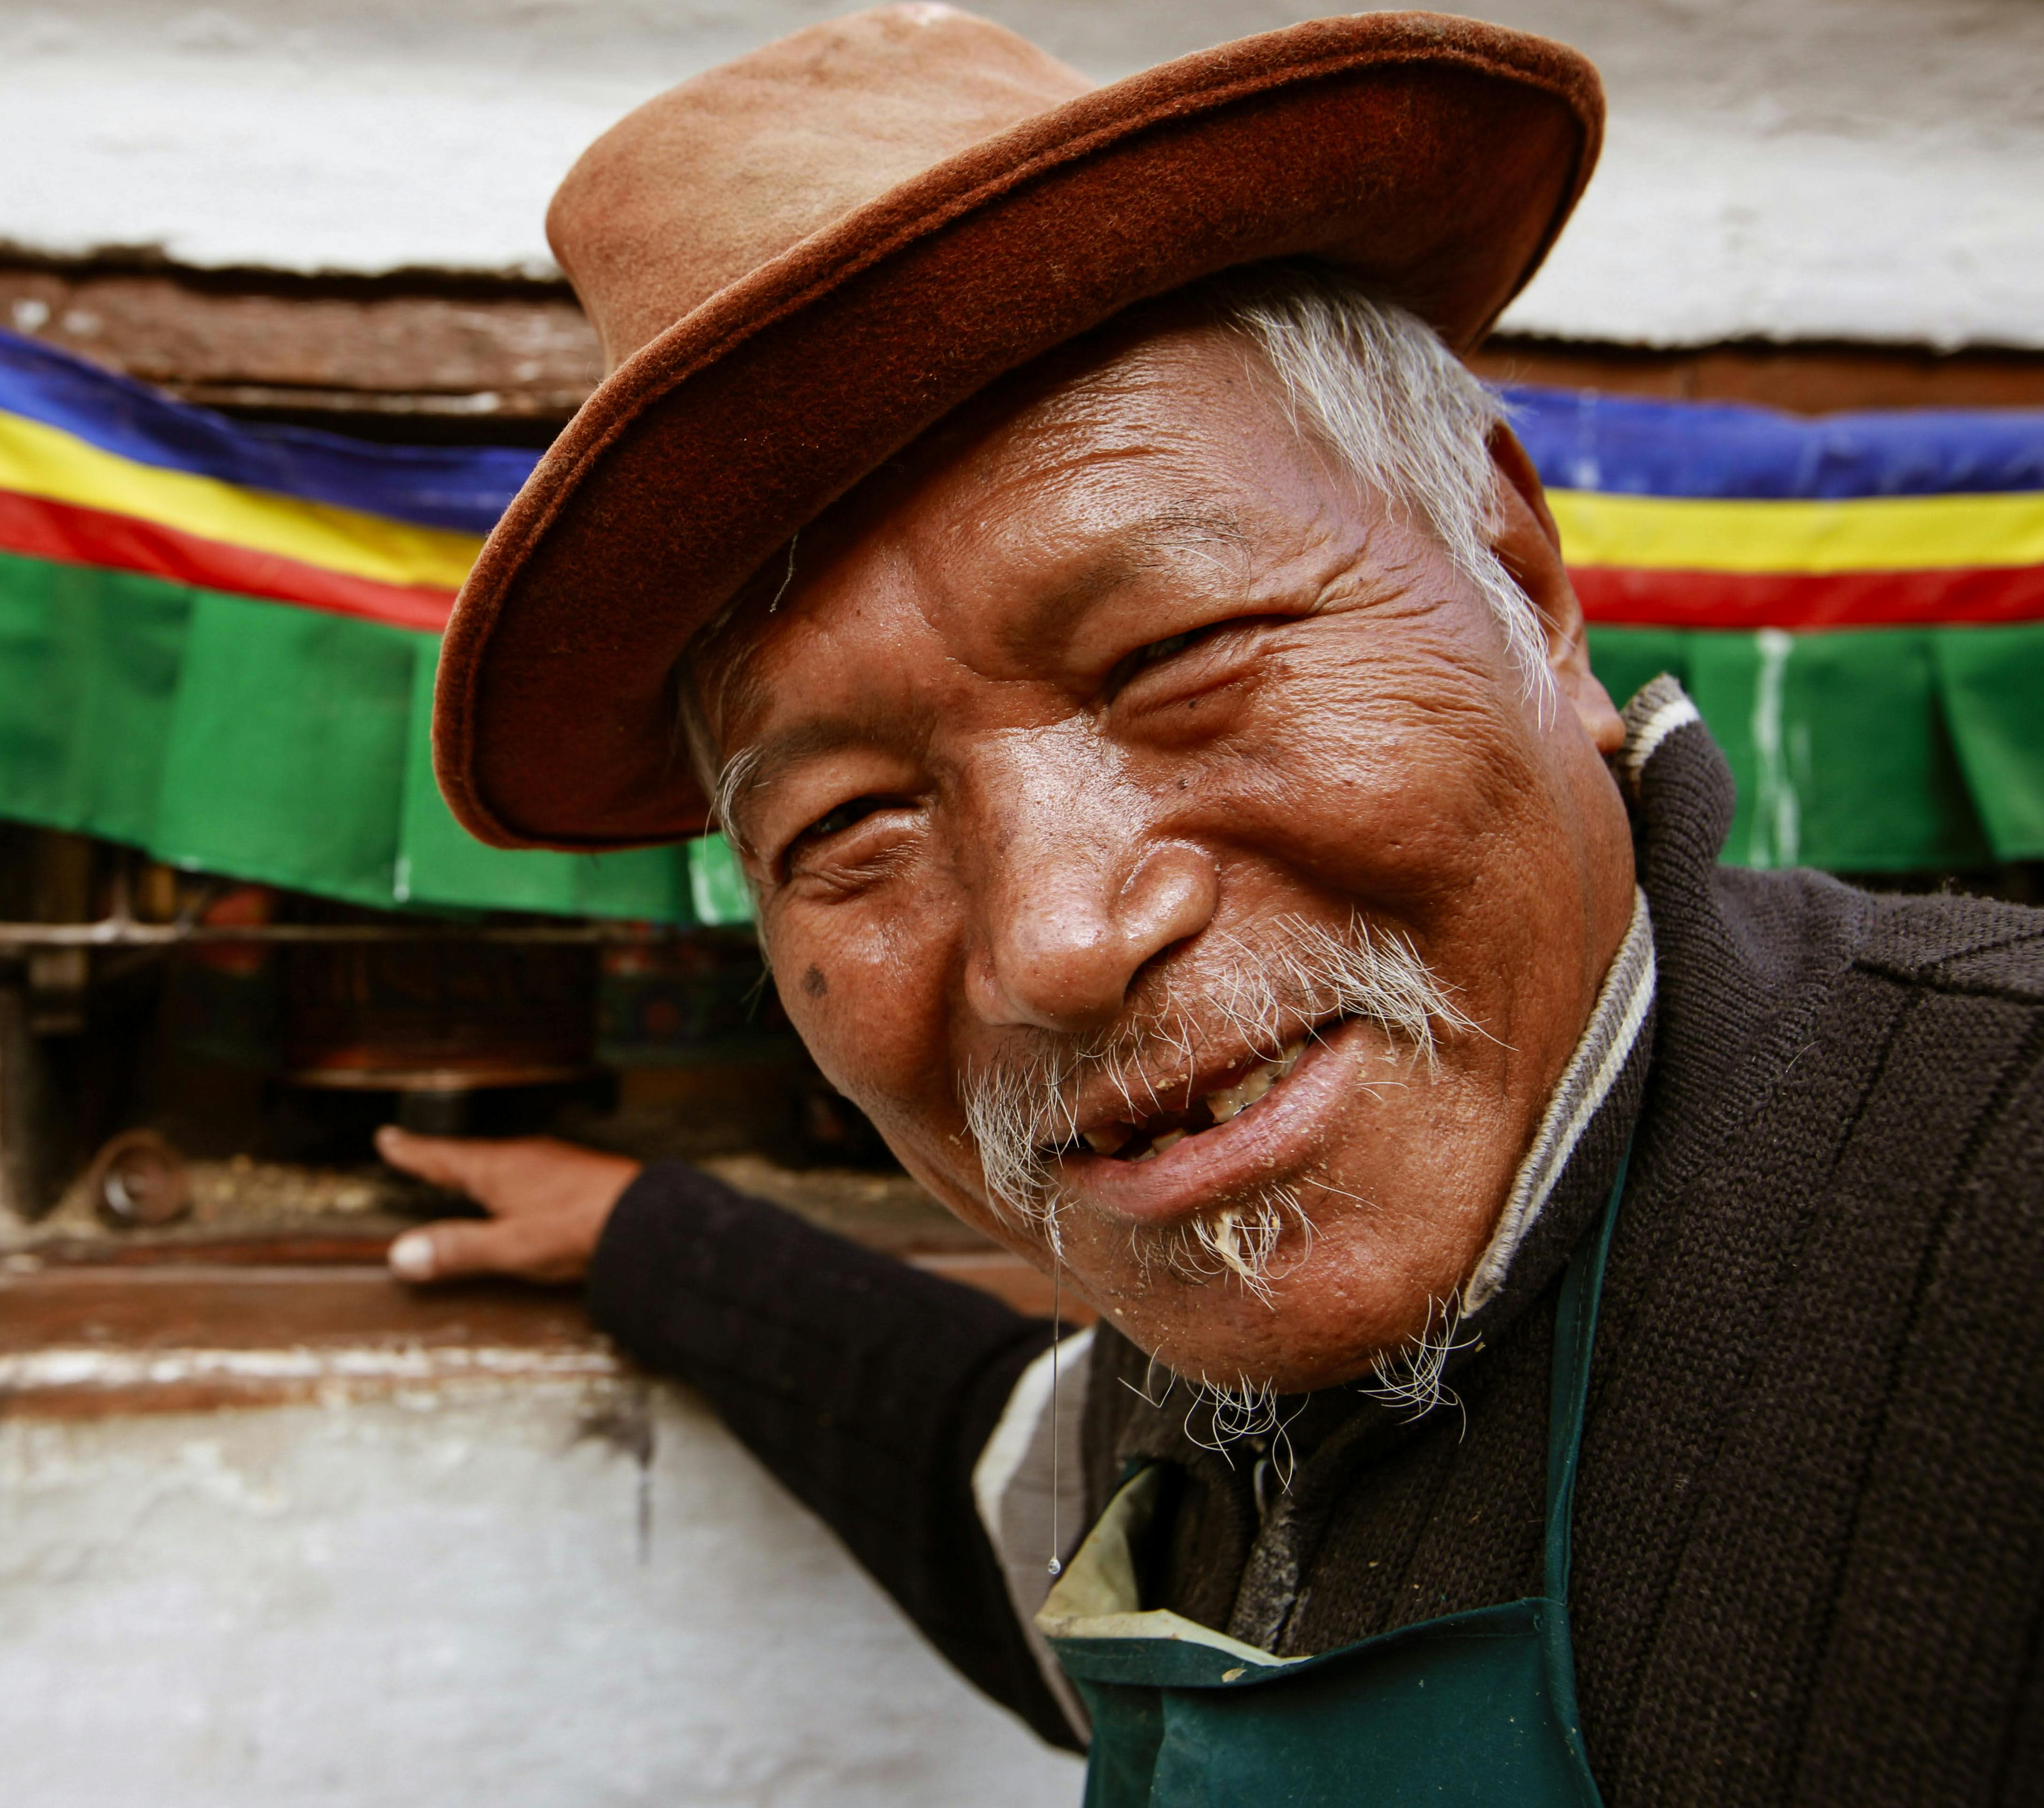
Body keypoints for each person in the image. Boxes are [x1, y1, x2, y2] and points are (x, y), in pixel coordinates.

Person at [375, 10, 2044, 1802]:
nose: (1058, 942)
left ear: (1519, 579)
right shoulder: (1171, 1401)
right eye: (852, 821)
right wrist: (644, 1236)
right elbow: (978, 1473)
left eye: (1179, 655)